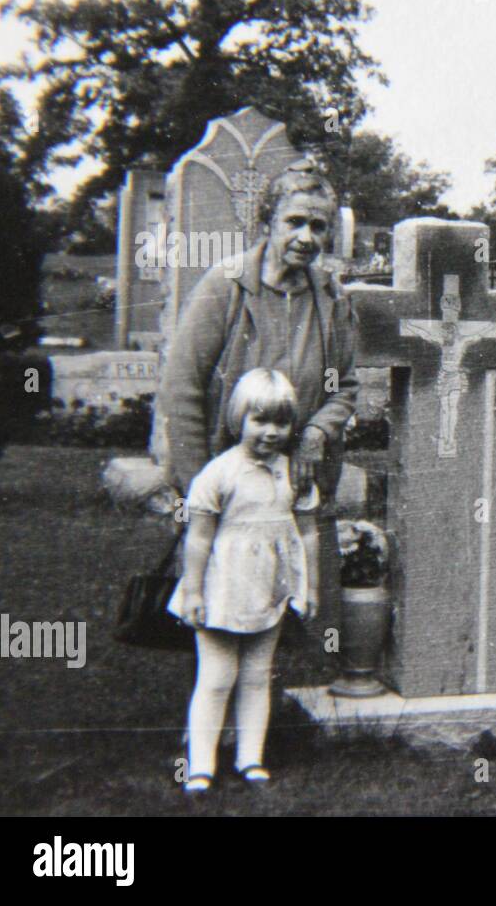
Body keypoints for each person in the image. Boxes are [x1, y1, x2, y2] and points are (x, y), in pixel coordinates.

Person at [157, 159, 358, 605]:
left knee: (275, 601)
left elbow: (345, 384)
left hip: (291, 479)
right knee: (217, 604)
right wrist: (199, 488)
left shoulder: (330, 297)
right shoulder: (225, 286)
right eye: (294, 222)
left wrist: (314, 434)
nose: (306, 237)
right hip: (224, 470)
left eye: (319, 227)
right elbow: (182, 387)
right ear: (267, 221)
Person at [170, 369, 320, 793]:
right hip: (222, 588)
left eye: (281, 423)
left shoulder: (293, 474)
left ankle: (250, 758)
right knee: (216, 677)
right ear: (239, 419)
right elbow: (198, 538)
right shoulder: (219, 473)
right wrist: (194, 591)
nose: (271, 433)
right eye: (260, 421)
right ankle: (201, 765)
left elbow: (307, 532)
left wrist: (309, 587)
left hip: (267, 588)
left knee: (257, 675)